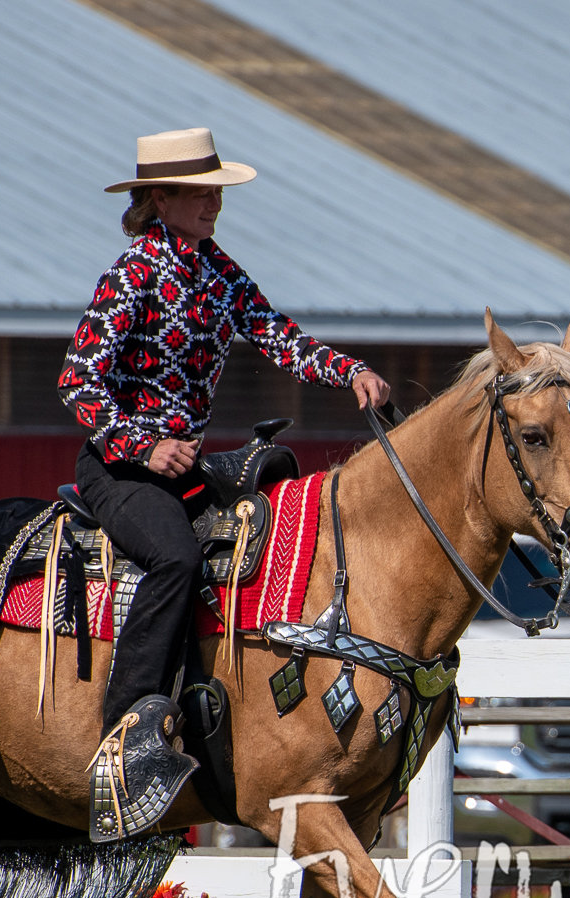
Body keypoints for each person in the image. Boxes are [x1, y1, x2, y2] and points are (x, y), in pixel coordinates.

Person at [59, 127, 391, 745]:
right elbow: (78, 382)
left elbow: (277, 336)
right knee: (177, 560)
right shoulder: (131, 276)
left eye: (216, 192)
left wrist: (351, 371)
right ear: (160, 199)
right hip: (119, 470)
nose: (213, 204)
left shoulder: (220, 273)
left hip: (184, 470)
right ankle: (125, 729)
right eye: (198, 193)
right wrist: (144, 445)